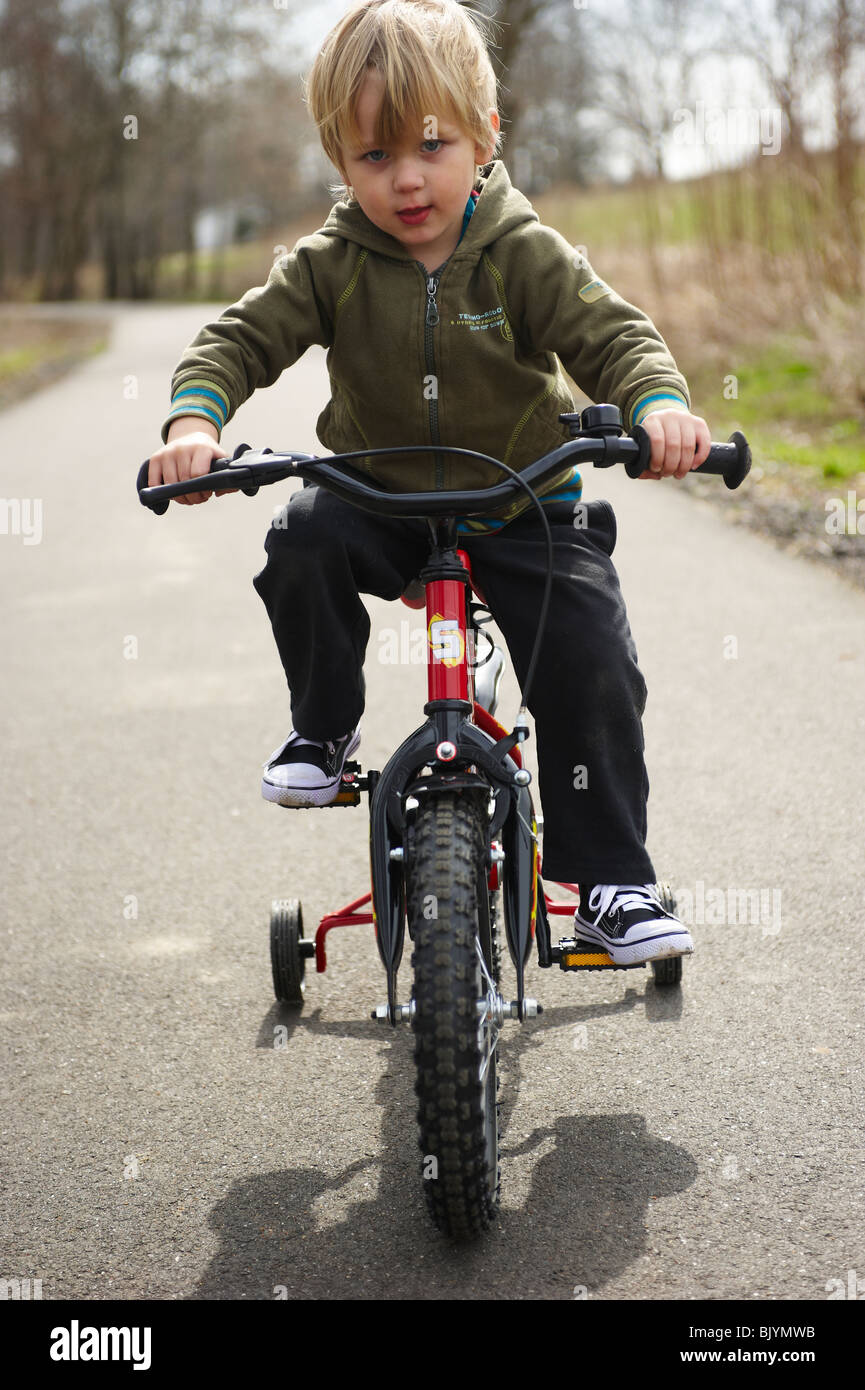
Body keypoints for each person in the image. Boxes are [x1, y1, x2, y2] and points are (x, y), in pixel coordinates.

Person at [147, 0, 710, 965]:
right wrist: (196, 425)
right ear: (337, 157)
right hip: (379, 502)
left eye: (431, 145)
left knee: (590, 653)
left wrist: (657, 407)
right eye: (373, 157)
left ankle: (614, 880)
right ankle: (322, 734)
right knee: (298, 540)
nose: (406, 178)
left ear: (486, 134)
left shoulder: (522, 251)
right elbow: (235, 340)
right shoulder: (329, 264)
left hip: (522, 498)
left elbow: (613, 338)